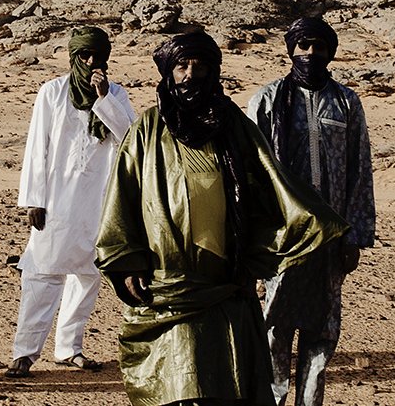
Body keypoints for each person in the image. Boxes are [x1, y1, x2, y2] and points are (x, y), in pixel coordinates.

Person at [96, 31, 349, 406]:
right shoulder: (147, 130)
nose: (190, 75)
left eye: (200, 67)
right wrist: (127, 259)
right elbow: (123, 198)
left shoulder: (234, 125)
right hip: (170, 280)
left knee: (225, 384)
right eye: (181, 66)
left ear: (214, 72)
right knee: (180, 382)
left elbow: (270, 185)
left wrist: (310, 231)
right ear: (168, 73)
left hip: (226, 278)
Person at [246, 17, 375, 406]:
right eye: (303, 46)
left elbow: (359, 170)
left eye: (318, 47)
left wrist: (355, 236)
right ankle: (273, 400)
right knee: (276, 326)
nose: (310, 54)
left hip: (332, 235)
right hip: (284, 235)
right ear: (291, 49)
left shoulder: (346, 102)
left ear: (330, 52)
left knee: (322, 328)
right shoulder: (267, 100)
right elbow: (251, 172)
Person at [5, 26, 137, 378]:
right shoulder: (52, 92)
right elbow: (37, 146)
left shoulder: (117, 94)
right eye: (85, 56)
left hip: (99, 201)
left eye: (98, 56)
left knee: (87, 276)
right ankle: (25, 352)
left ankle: (69, 348)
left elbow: (130, 139)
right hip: (55, 199)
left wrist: (104, 98)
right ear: (73, 57)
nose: (92, 62)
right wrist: (33, 198)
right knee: (42, 273)